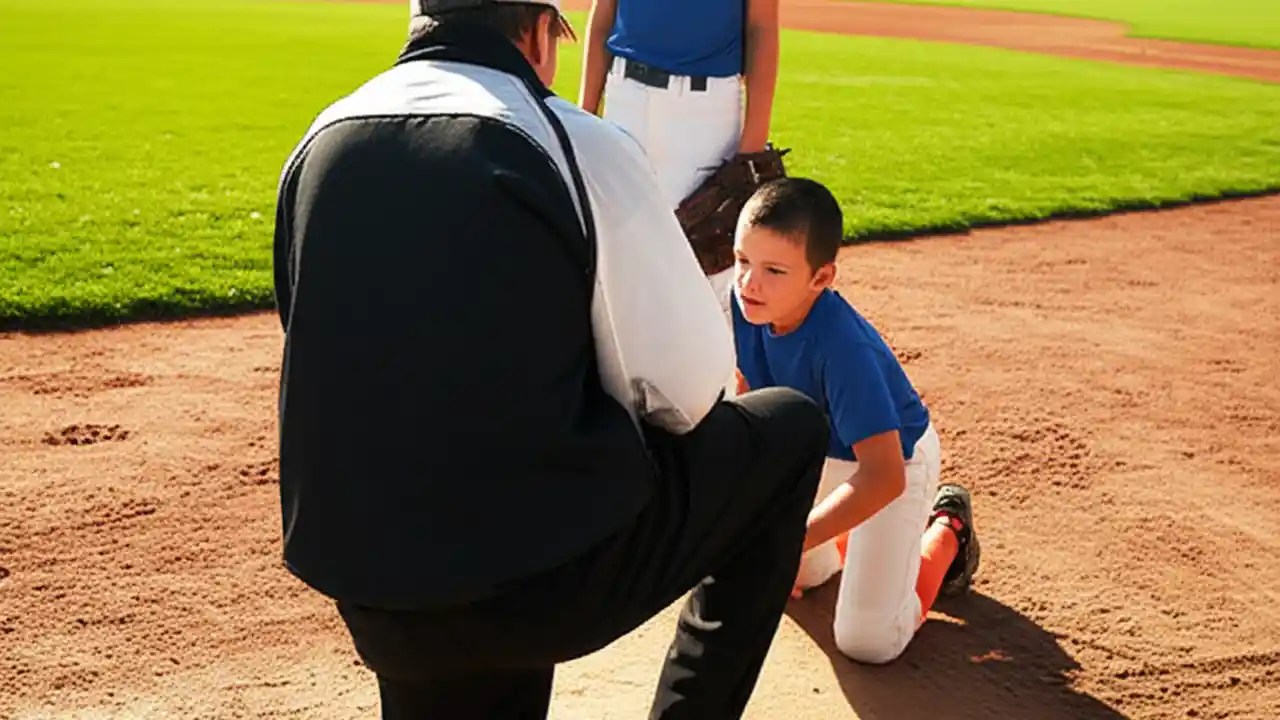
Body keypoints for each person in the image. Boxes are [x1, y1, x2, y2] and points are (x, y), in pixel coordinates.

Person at [271, 1, 829, 717]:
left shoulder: (320, 138)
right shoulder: (574, 142)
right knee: (788, 431)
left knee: (478, 523)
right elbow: (689, 395)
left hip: (370, 588)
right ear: (537, 32)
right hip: (539, 584)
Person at [728, 176, 983, 665]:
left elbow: (883, 475)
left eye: (775, 270)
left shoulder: (842, 348)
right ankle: (853, 541)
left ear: (821, 278)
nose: (749, 283)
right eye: (743, 261)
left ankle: (949, 526)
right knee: (795, 571)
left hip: (893, 466)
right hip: (822, 455)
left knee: (868, 642)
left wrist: (789, 540)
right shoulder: (744, 305)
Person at [578, 0, 781, 311]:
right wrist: (586, 117)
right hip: (624, 98)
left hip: (706, 112)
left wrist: (752, 144)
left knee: (707, 273)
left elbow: (762, 25)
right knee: (614, 260)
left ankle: (708, 359)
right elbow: (605, 11)